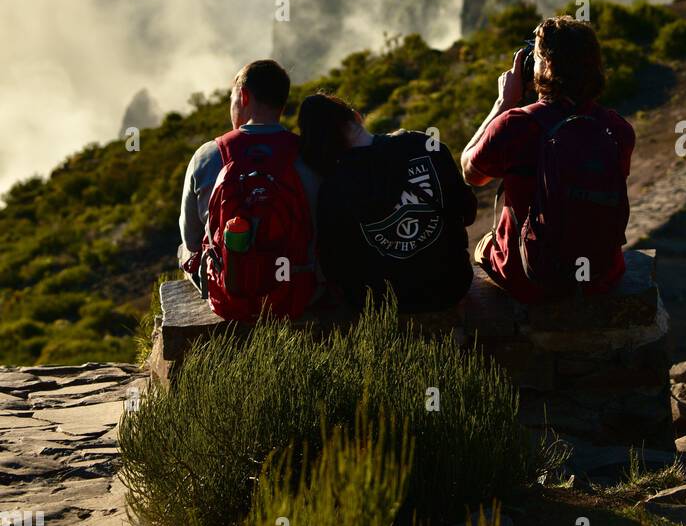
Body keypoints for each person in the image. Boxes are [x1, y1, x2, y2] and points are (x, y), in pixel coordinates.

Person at [461, 17, 633, 303]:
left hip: (530, 278)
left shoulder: (515, 125)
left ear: (547, 67)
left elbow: (470, 172)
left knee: (483, 245)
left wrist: (503, 103)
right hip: (601, 275)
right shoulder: (617, 129)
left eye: (536, 55)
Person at [300, 93, 477, 313]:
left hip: (381, 303)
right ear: (356, 117)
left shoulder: (333, 189)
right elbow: (468, 213)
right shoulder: (423, 144)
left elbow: (334, 264)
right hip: (450, 287)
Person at [178, 59, 325, 316]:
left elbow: (191, 239)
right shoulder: (308, 154)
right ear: (281, 102)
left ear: (243, 96)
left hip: (228, 298)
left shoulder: (208, 155)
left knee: (184, 251)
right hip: (299, 293)